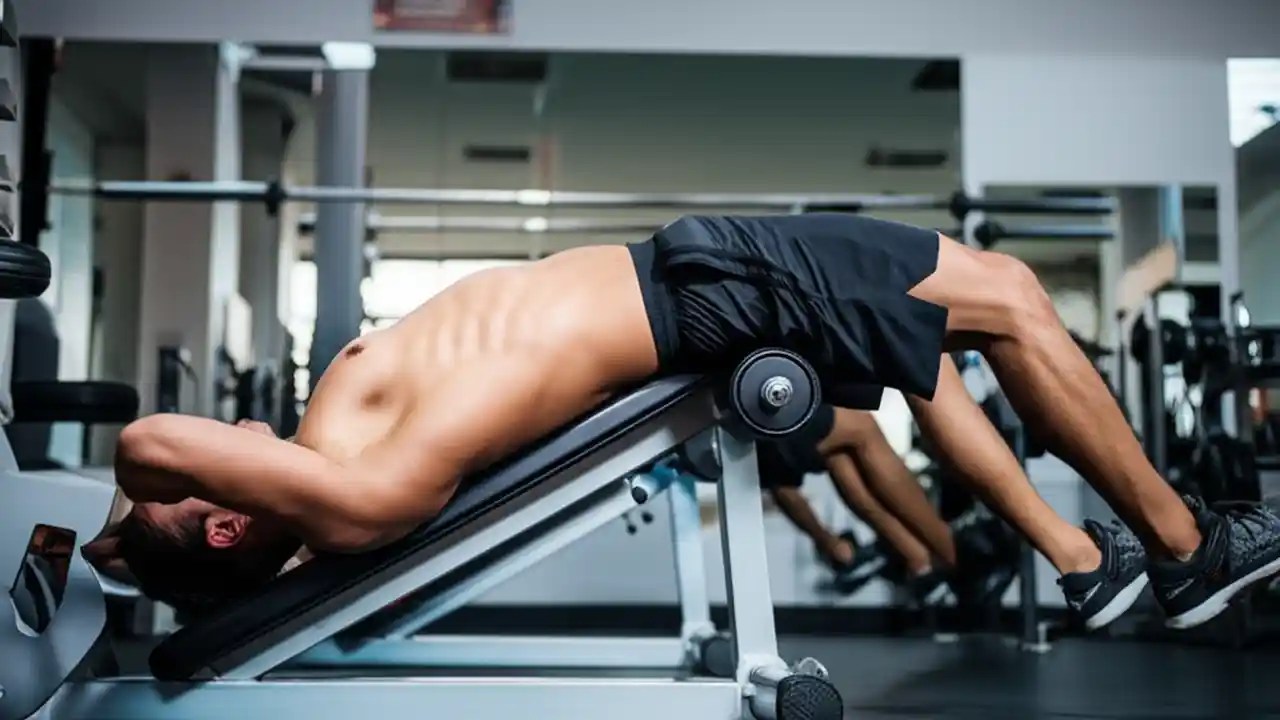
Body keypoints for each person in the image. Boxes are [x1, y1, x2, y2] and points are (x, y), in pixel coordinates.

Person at [84, 214, 1280, 626]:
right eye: (209, 467)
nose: (211, 430)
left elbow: (167, 476)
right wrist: (134, 514)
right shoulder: (355, 494)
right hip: (700, 297)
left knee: (976, 328)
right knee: (1012, 299)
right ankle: (1180, 553)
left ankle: (1086, 558)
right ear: (234, 524)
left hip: (692, 272)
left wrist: (106, 545)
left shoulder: (317, 446)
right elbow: (144, 447)